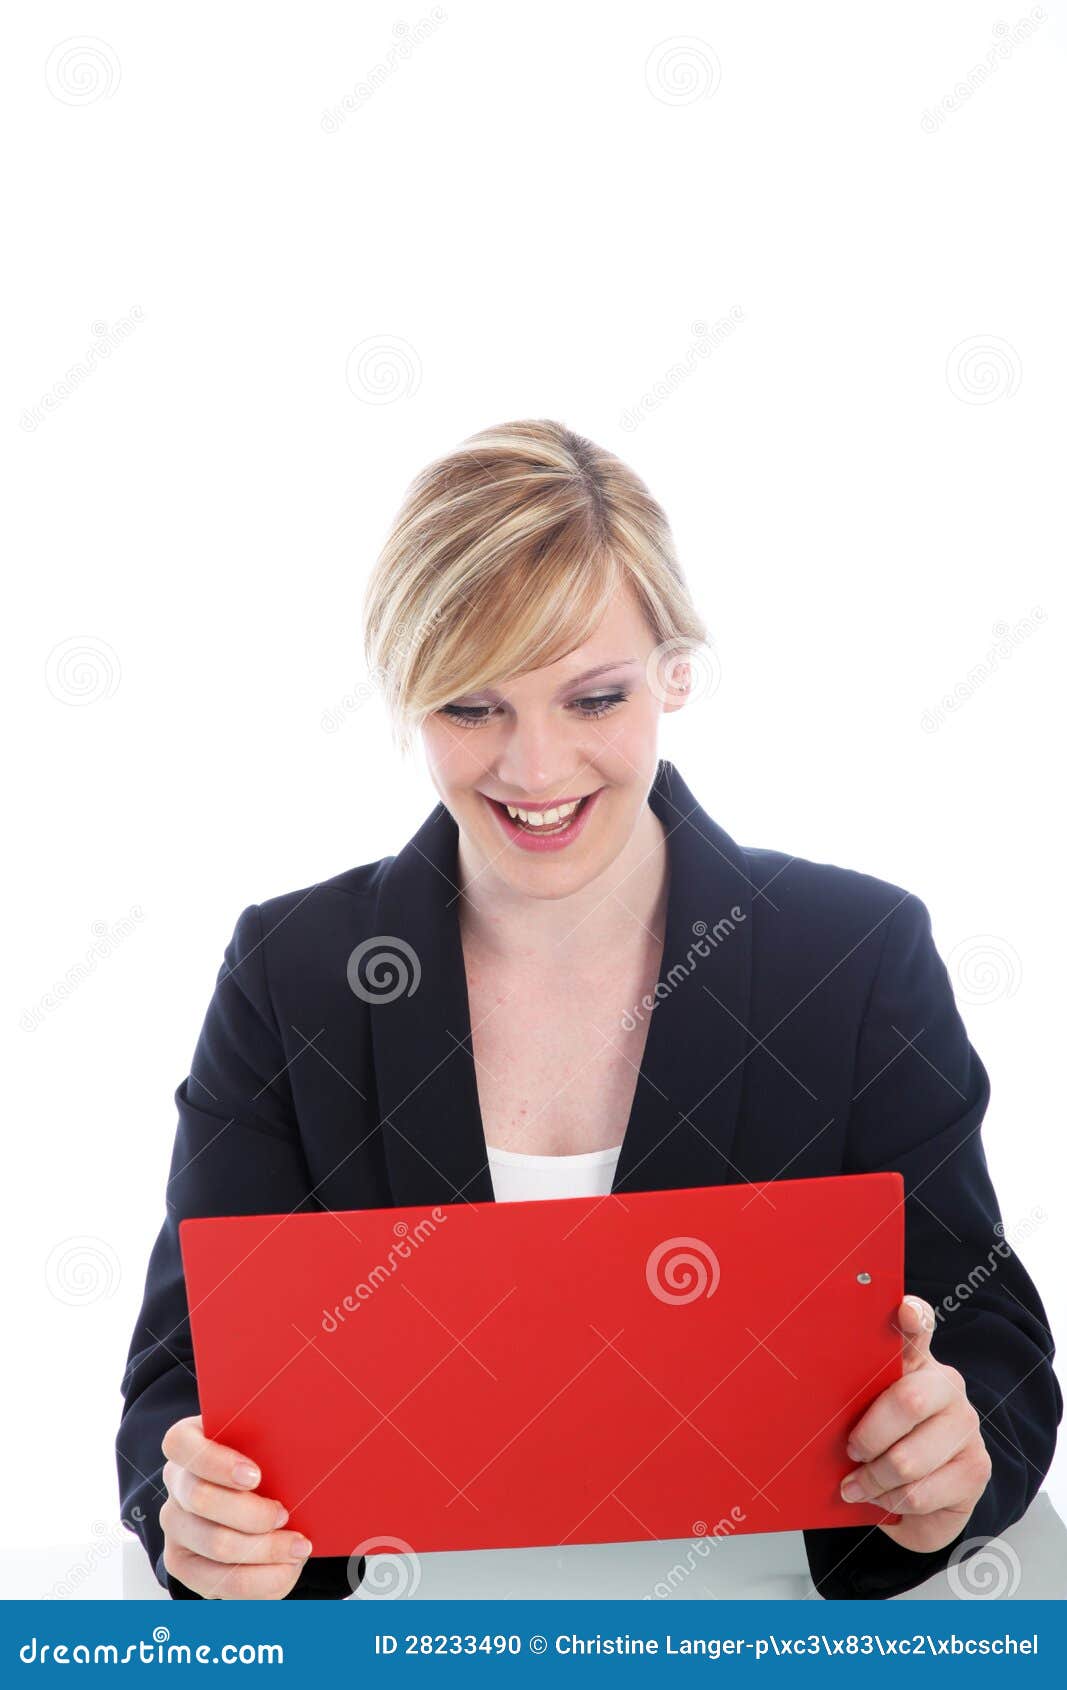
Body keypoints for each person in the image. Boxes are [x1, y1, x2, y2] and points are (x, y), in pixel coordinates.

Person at [117, 419, 1061, 1600]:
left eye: (591, 697)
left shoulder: (854, 953)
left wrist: (950, 1468)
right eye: (471, 709)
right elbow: (179, 1377)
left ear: (671, 668)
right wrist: (194, 1524)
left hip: (750, 1621)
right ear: (410, 700)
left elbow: (991, 1345)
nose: (534, 768)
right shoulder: (293, 968)